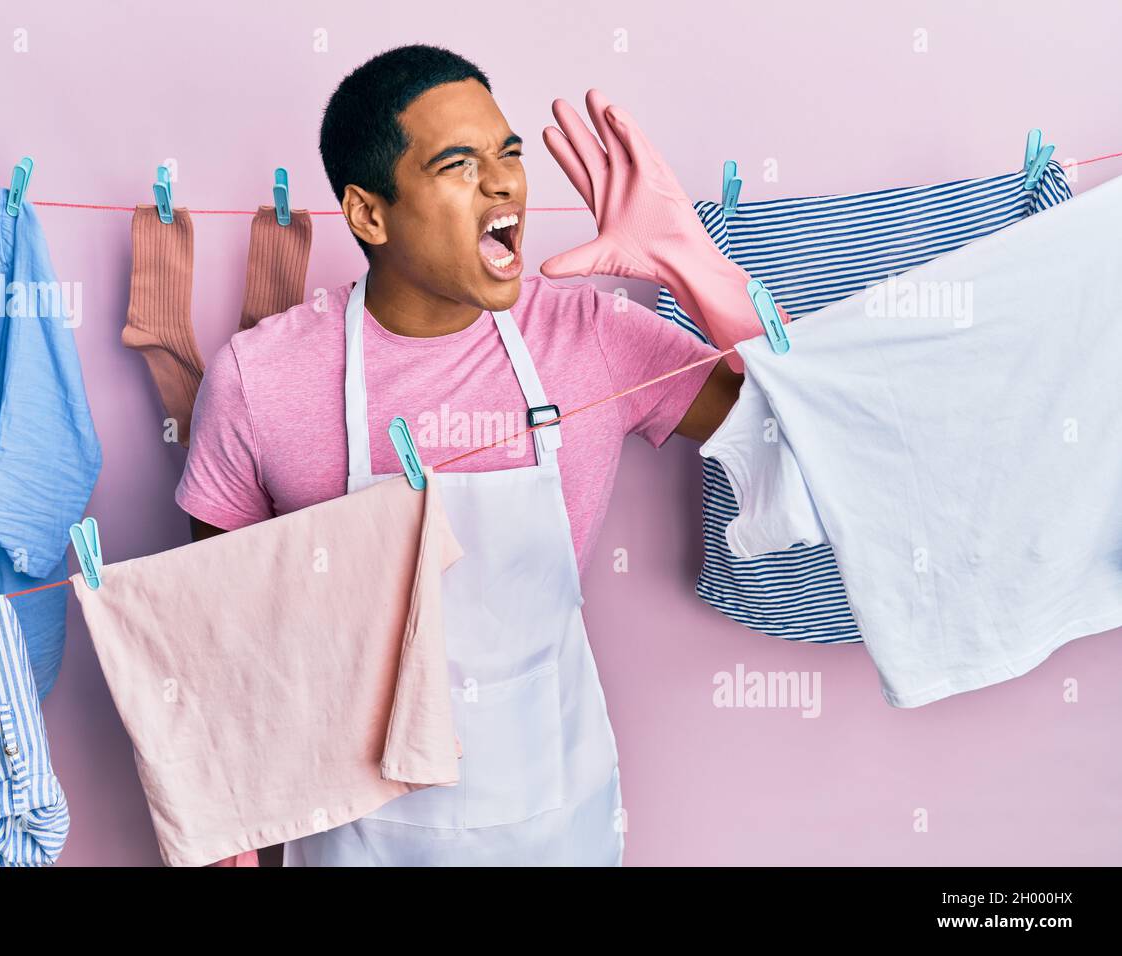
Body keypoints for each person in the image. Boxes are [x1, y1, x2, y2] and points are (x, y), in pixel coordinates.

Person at [176, 44, 770, 866]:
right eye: (460, 164)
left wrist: (692, 262)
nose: (505, 184)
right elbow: (223, 639)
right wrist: (228, 840)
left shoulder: (590, 338)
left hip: (555, 813)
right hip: (360, 836)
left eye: (510, 153)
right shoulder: (260, 378)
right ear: (369, 214)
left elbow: (799, 431)